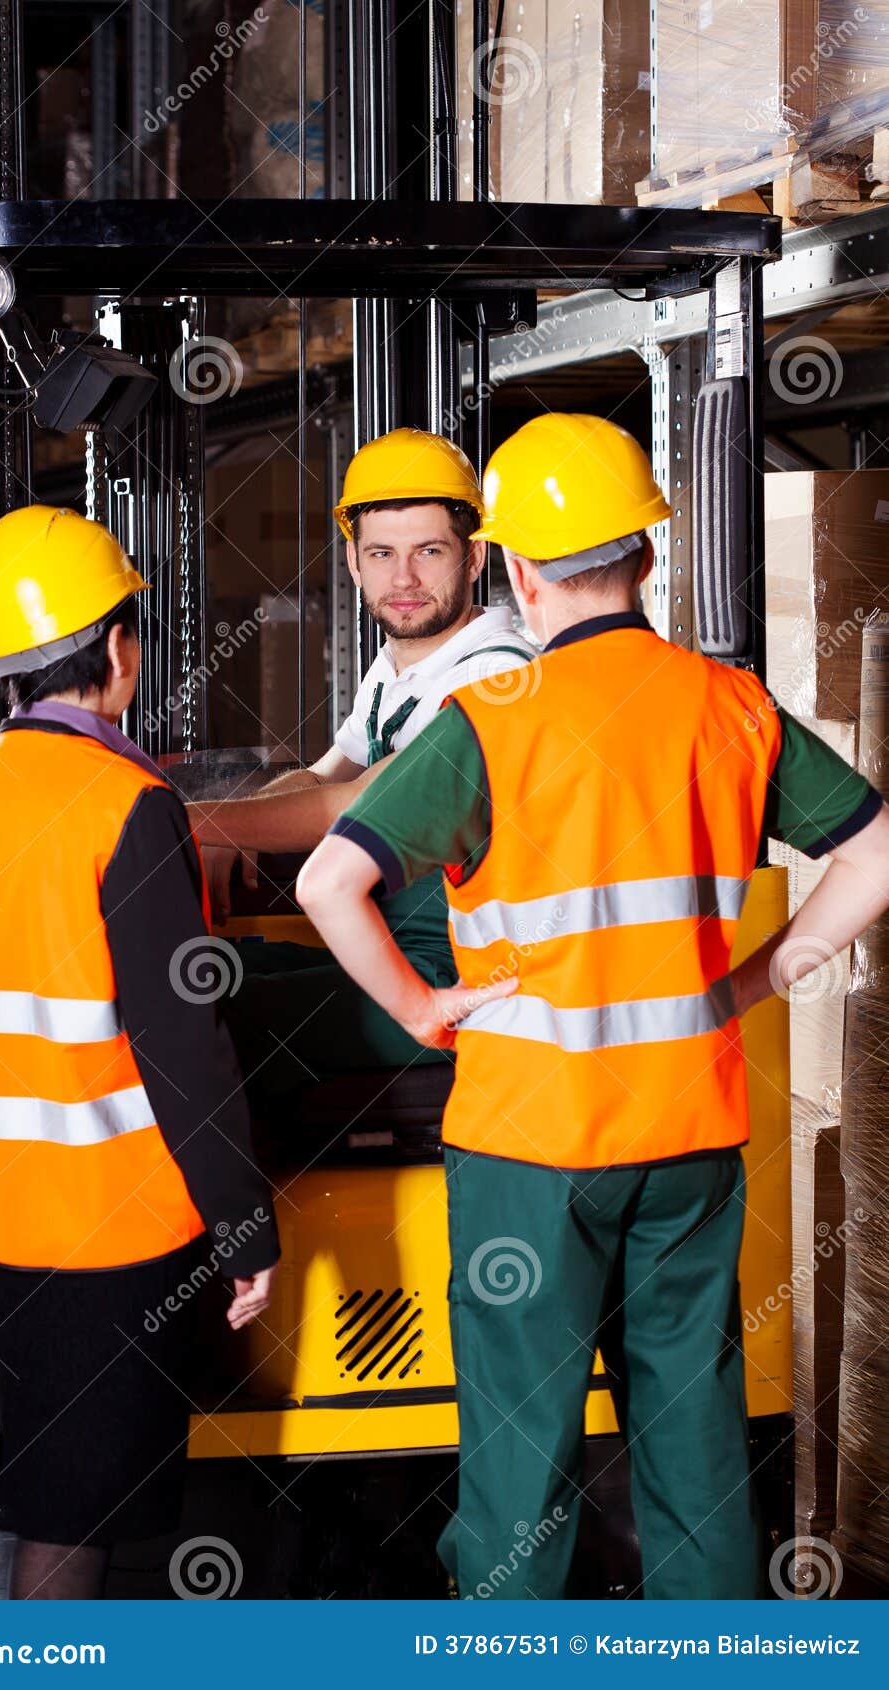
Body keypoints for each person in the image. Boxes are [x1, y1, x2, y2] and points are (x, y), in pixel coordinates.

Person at [294, 412, 889, 1599]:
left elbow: (328, 878)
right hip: (686, 1132)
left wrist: (421, 1009)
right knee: (695, 1444)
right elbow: (874, 849)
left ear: (509, 567)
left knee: (523, 1454)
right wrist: (764, 975)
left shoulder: (489, 723)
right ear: (648, 559)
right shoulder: (731, 707)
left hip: (528, 1142)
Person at [0, 505, 280, 1600]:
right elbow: (181, 1048)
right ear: (118, 648)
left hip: (5, 1221)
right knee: (74, 1523)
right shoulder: (128, 803)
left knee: (55, 1498)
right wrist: (245, 1224)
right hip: (111, 1237)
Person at [186, 428, 535, 1098]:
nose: (402, 579)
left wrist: (198, 822)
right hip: (395, 953)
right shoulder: (402, 664)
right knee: (204, 969)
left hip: (461, 978)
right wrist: (233, 824)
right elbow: (320, 777)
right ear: (352, 561)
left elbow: (353, 805)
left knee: (198, 1013)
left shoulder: (496, 674)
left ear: (473, 558)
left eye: (427, 552)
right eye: (381, 554)